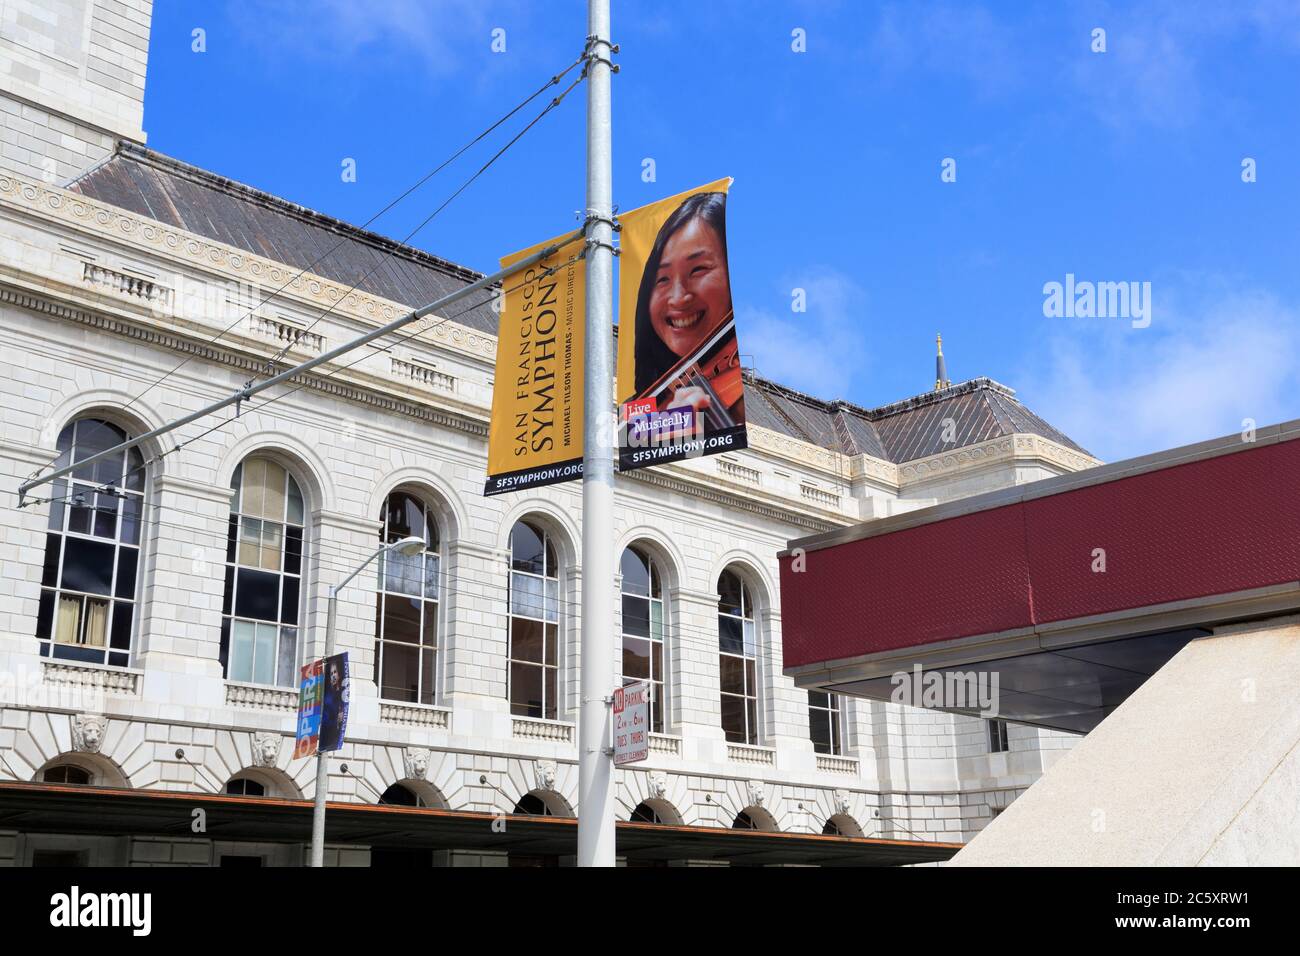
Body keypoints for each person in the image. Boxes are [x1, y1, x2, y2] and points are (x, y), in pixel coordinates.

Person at [631, 192, 744, 425]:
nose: (678, 297)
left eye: (698, 269)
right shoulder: (637, 413)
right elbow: (632, 439)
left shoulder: (743, 395)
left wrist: (709, 425)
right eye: (662, 279)